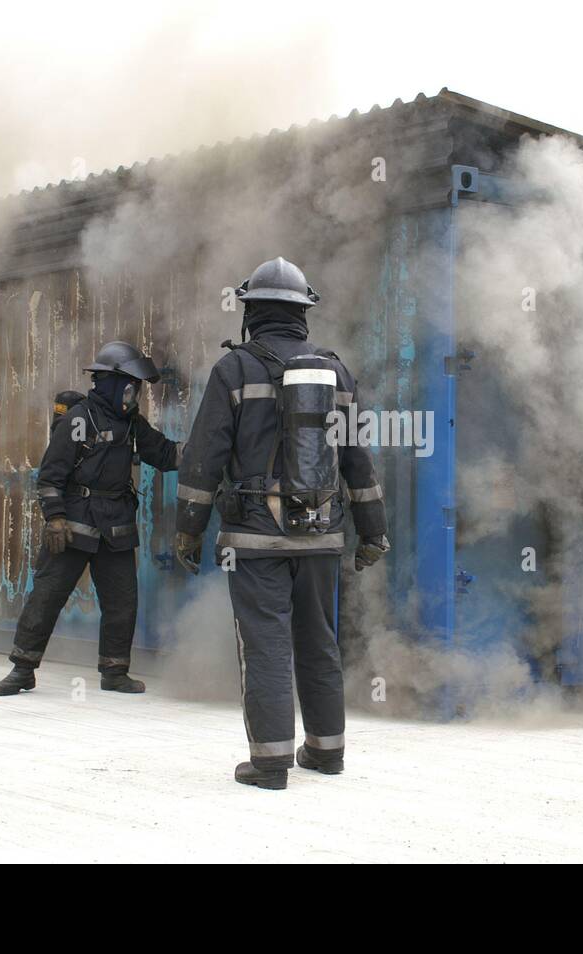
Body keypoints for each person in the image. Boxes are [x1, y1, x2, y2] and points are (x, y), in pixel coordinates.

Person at [173, 257, 390, 790]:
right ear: (302, 313)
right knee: (319, 641)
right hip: (321, 532)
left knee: (265, 642)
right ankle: (326, 752)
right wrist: (374, 531)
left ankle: (270, 763)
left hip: (254, 536)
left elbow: (203, 457)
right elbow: (358, 460)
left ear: (251, 311)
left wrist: (188, 528)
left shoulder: (234, 369)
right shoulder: (336, 372)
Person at [0, 341, 182, 696]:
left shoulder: (132, 423)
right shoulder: (79, 419)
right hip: (74, 524)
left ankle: (114, 672)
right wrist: (55, 519)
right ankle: (22, 669)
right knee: (47, 595)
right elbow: (49, 476)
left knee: (122, 600)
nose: (134, 393)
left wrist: (207, 451)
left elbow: (166, 454)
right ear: (111, 383)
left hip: (116, 526)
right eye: (130, 385)